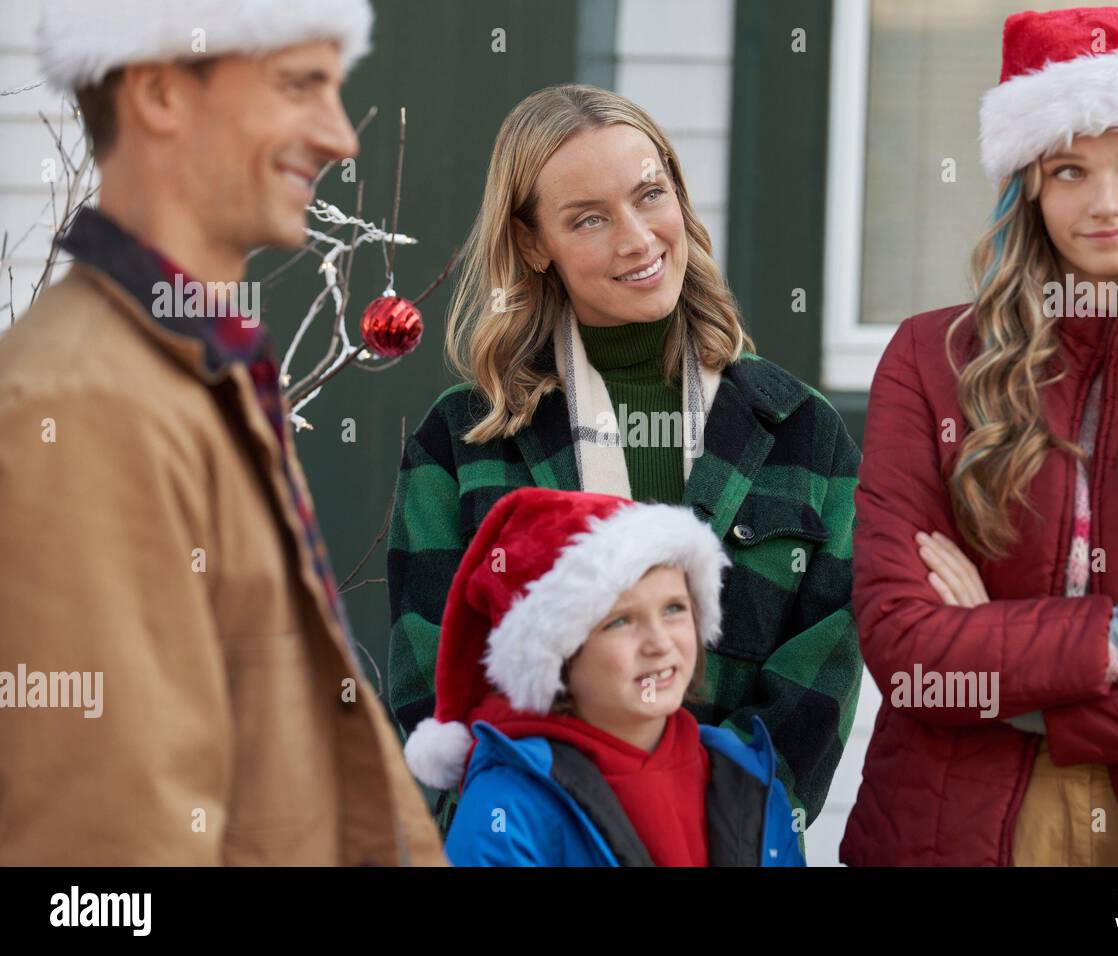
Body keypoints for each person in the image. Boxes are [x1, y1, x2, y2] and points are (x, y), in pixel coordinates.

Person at [841, 3, 1118, 866]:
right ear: (1030, 187)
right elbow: (906, 651)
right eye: (1068, 171)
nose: (1106, 203)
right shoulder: (930, 361)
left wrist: (1021, 678)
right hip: (956, 829)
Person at [0, 0, 445, 865]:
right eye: (299, 86)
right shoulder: (84, 403)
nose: (341, 138)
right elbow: (102, 851)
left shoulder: (197, 375)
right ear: (162, 91)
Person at [386, 84, 862, 836]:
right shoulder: (465, 439)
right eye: (589, 219)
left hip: (729, 843)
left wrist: (710, 816)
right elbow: (430, 674)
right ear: (535, 242)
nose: (638, 239)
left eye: (650, 195)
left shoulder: (800, 430)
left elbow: (822, 671)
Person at [403, 487, 804, 866]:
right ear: (556, 654)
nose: (659, 643)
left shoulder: (749, 779)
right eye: (621, 621)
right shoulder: (506, 809)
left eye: (674, 609)